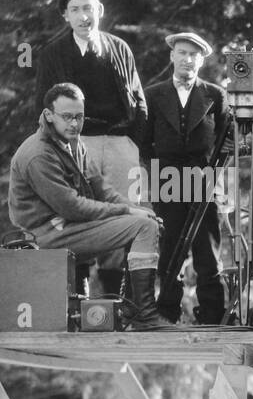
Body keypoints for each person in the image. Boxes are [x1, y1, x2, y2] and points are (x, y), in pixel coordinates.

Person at [9, 83, 173, 331]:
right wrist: (128, 212)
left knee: (146, 222)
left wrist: (135, 209)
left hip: (70, 226)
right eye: (67, 117)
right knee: (143, 228)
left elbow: (101, 189)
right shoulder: (38, 154)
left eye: (79, 117)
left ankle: (131, 309)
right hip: (46, 236)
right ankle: (146, 317)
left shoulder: (73, 143)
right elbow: (72, 207)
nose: (74, 124)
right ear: (49, 115)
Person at [140, 30, 229, 325]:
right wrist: (155, 174)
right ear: (172, 56)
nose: (187, 60)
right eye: (182, 53)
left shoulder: (215, 95)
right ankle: (166, 311)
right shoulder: (152, 94)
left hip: (203, 180)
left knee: (207, 251)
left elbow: (227, 140)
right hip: (166, 179)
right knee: (169, 250)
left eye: (193, 54)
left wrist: (216, 175)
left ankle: (213, 314)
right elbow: (143, 140)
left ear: (201, 60)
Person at [34, 0, 147, 203]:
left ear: (100, 10)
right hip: (76, 145)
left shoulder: (120, 48)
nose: (83, 16)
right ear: (66, 15)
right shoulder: (52, 54)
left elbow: (139, 101)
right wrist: (58, 150)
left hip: (120, 145)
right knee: (83, 216)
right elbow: (43, 107)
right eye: (75, 10)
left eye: (88, 8)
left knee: (130, 216)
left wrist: (133, 144)